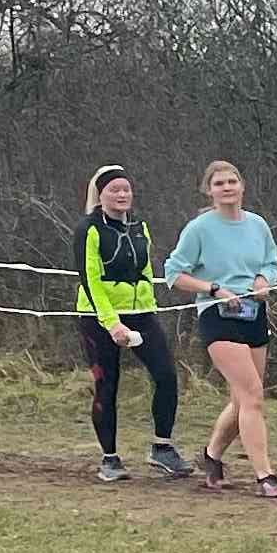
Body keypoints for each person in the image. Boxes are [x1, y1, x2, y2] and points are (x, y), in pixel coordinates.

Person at [164, 159, 277, 499]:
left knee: (241, 400)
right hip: (218, 315)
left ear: (242, 185)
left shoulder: (258, 225)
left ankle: (211, 456)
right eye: (219, 183)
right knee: (253, 395)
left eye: (232, 181)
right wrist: (213, 288)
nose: (227, 188)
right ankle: (266, 476)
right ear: (209, 190)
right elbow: (174, 273)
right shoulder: (199, 229)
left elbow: (271, 262)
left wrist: (265, 280)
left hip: (254, 314)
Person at [76, 163, 189, 483]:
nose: (122, 194)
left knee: (166, 374)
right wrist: (112, 324)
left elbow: (144, 270)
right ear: (101, 195)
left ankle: (162, 448)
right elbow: (90, 280)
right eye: (115, 190)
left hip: (141, 313)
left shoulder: (140, 226)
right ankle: (110, 458)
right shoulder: (89, 229)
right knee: (107, 385)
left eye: (126, 189)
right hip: (98, 317)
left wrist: (147, 309)